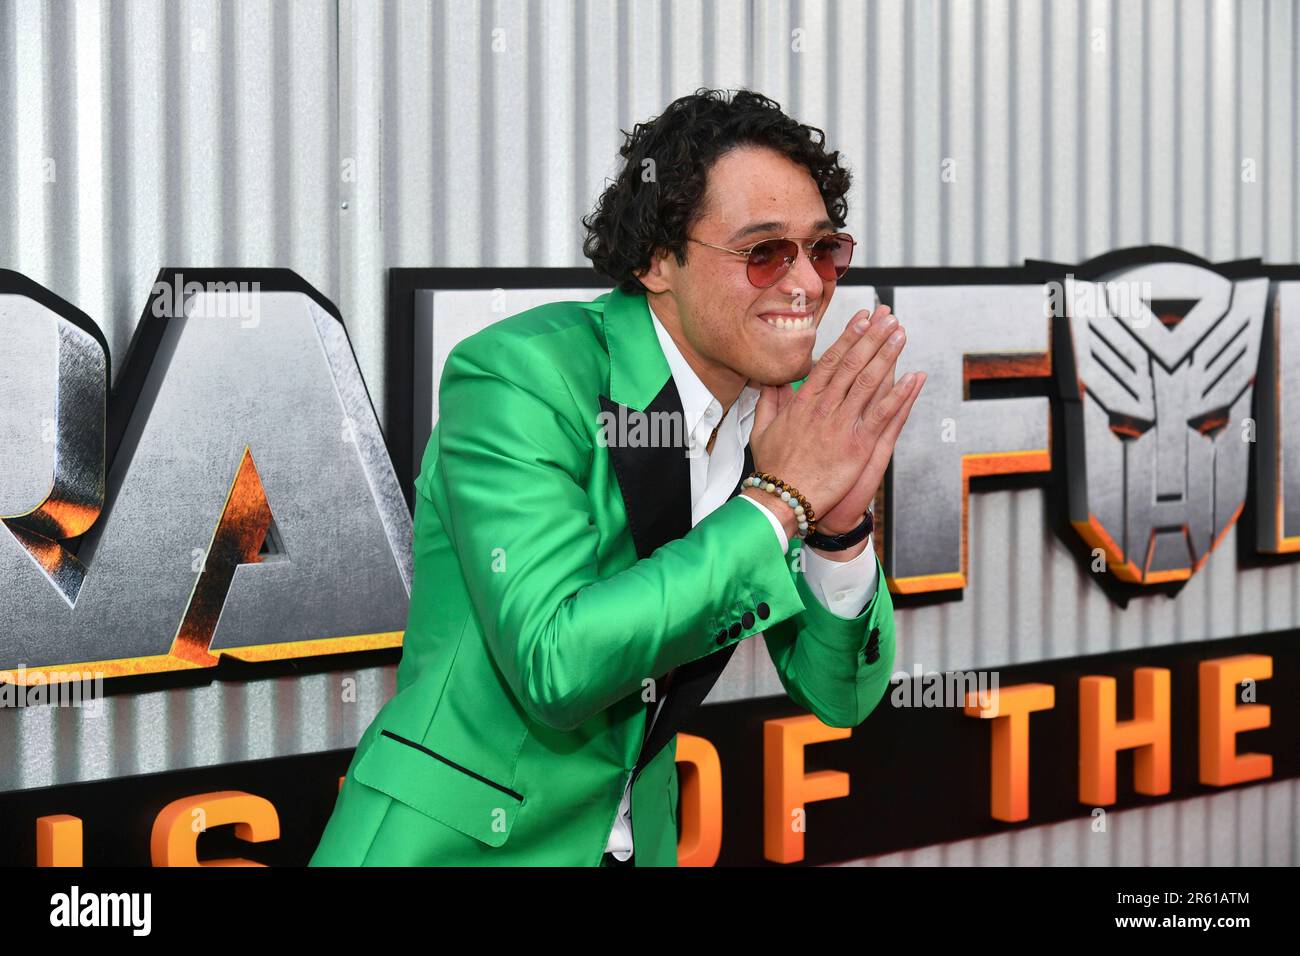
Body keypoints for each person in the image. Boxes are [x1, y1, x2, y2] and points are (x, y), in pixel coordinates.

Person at [310, 88, 925, 867]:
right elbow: (556, 665)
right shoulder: (523, 376)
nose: (805, 282)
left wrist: (839, 532)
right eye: (764, 251)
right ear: (656, 260)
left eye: (824, 248)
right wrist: (778, 503)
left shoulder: (782, 417)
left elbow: (842, 698)